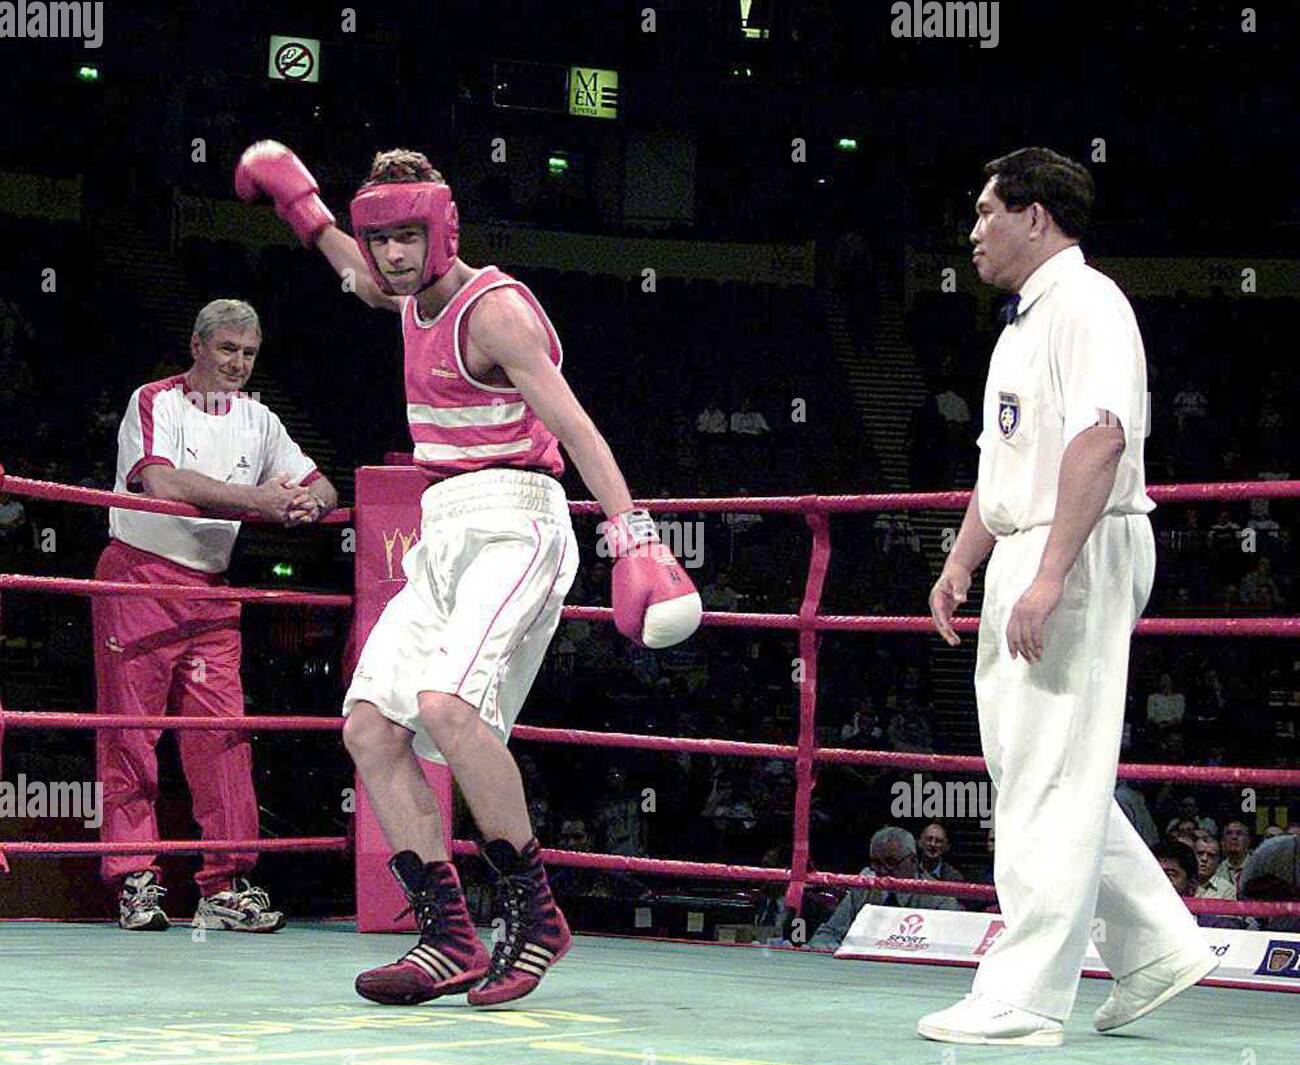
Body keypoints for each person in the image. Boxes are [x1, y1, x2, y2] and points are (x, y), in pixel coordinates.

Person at [235, 142, 701, 1005]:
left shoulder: (497, 314)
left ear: (443, 229)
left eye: (410, 238)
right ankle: (446, 935)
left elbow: (581, 428)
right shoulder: (394, 289)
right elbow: (349, 260)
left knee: (447, 707)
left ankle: (534, 917)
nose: (393, 256)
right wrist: (295, 203)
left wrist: (634, 536)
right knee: (370, 730)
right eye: (384, 241)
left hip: (518, 520)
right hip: (441, 526)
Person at [922, 148, 1214, 1046]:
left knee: (1049, 771)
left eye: (985, 213)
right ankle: (1158, 946)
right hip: (1030, 541)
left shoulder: (1090, 305)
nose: (972, 231)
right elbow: (1001, 461)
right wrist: (962, 563)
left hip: (1075, 545)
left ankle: (1025, 999)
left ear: (1036, 216)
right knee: (1034, 770)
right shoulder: (1020, 324)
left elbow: (1100, 440)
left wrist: (1050, 573)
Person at [96, 299, 338, 933]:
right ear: (198, 346)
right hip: (140, 578)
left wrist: (307, 504)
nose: (238, 364)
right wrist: (259, 500)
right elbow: (164, 484)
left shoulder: (259, 419)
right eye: (228, 350)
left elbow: (322, 484)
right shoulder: (155, 400)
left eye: (249, 353)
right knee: (130, 732)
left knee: (223, 737)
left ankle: (224, 885)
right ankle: (137, 880)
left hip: (211, 591)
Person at [807, 827, 961, 950]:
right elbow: (829, 933)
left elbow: (949, 950)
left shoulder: (940, 899)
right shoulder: (864, 885)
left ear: (913, 861)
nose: (881, 870)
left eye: (890, 862)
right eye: (875, 862)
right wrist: (832, 948)